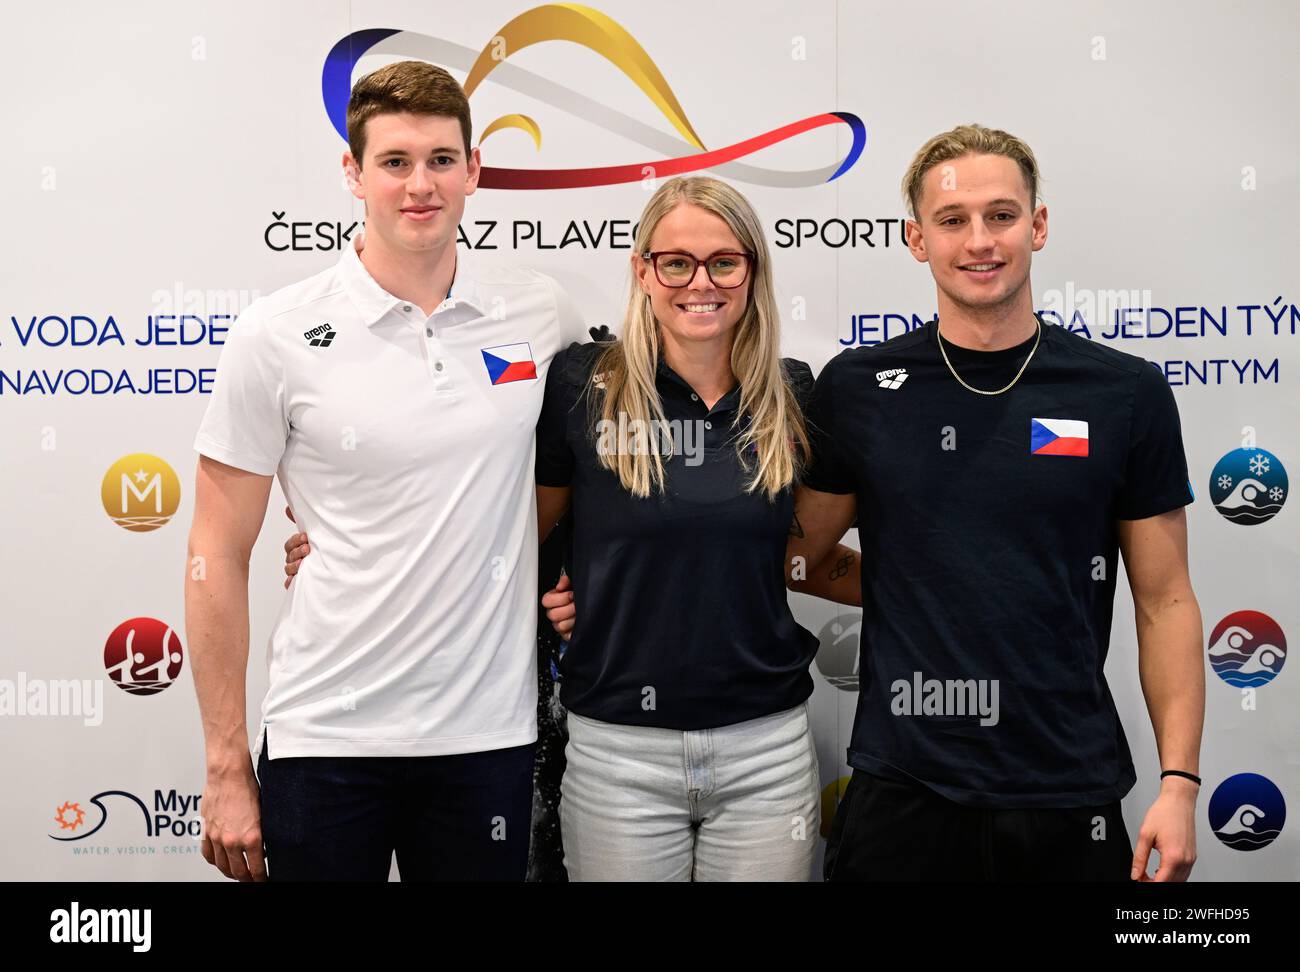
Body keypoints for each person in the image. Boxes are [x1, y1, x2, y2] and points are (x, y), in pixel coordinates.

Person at [287, 176, 861, 880]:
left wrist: (956, 595)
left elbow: (801, 557)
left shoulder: (791, 392)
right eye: (675, 261)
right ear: (643, 270)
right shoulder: (583, 386)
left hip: (767, 747)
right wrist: (359, 545)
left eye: (724, 261)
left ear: (753, 271)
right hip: (616, 752)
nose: (699, 282)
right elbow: (502, 524)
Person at [185, 60, 583, 882]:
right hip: (325, 738)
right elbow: (215, 554)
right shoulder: (277, 332)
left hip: (488, 738)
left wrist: (579, 574)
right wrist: (226, 764)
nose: (420, 185)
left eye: (441, 160)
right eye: (395, 162)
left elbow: (586, 475)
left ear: (474, 170)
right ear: (352, 173)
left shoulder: (541, 312)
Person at [787, 124, 1205, 881]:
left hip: (1065, 785)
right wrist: (902, 588)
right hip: (903, 788)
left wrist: (1179, 783)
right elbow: (797, 558)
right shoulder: (856, 389)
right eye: (952, 220)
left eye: (1001, 215)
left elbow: (1166, 601)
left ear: (1037, 226)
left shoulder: (1124, 392)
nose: (979, 240)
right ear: (917, 239)